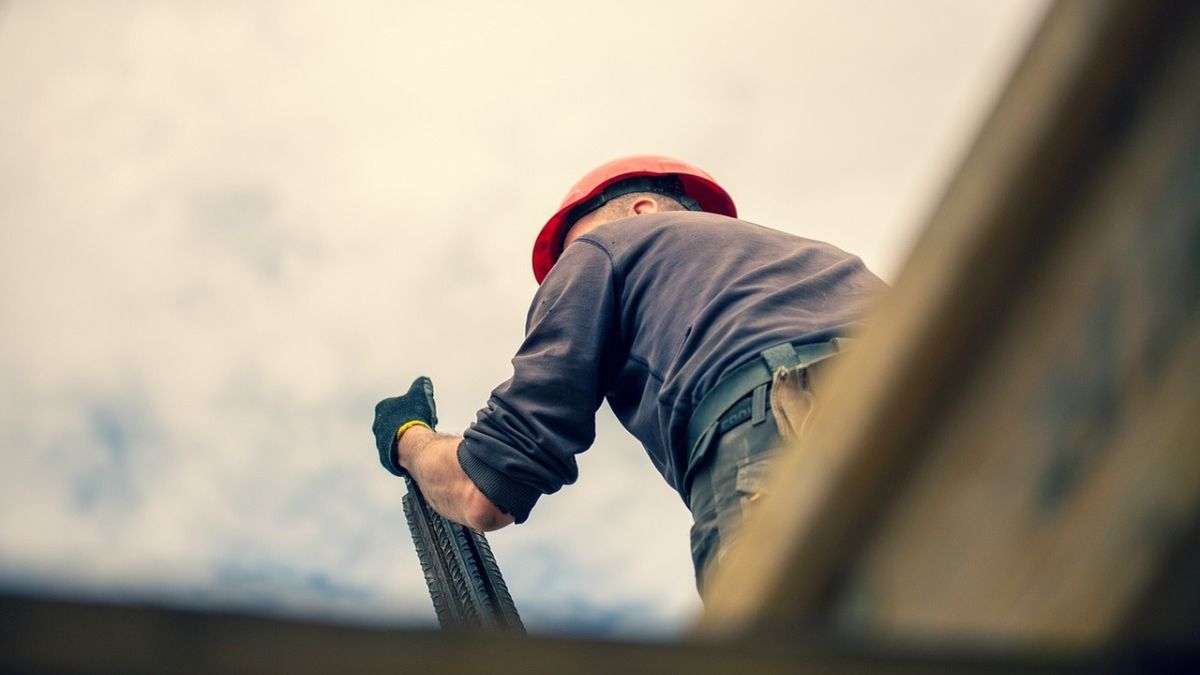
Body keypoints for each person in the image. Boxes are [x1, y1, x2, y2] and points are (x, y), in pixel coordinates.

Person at [373, 155, 886, 595]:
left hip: (780, 424)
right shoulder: (822, 259)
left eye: (572, 246)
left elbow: (485, 487)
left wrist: (408, 437)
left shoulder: (612, 245)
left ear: (641, 208)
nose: (565, 269)